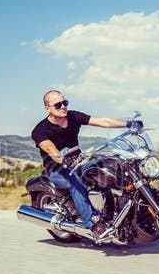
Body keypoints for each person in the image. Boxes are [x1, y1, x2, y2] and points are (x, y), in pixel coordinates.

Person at [31, 90, 130, 239]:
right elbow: (49, 148)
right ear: (48, 108)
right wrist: (62, 157)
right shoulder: (40, 130)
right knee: (75, 183)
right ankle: (95, 225)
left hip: (79, 162)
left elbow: (102, 121)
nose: (63, 107)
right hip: (57, 169)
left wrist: (128, 124)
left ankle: (117, 211)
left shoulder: (73, 116)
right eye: (58, 105)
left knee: (111, 167)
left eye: (65, 103)